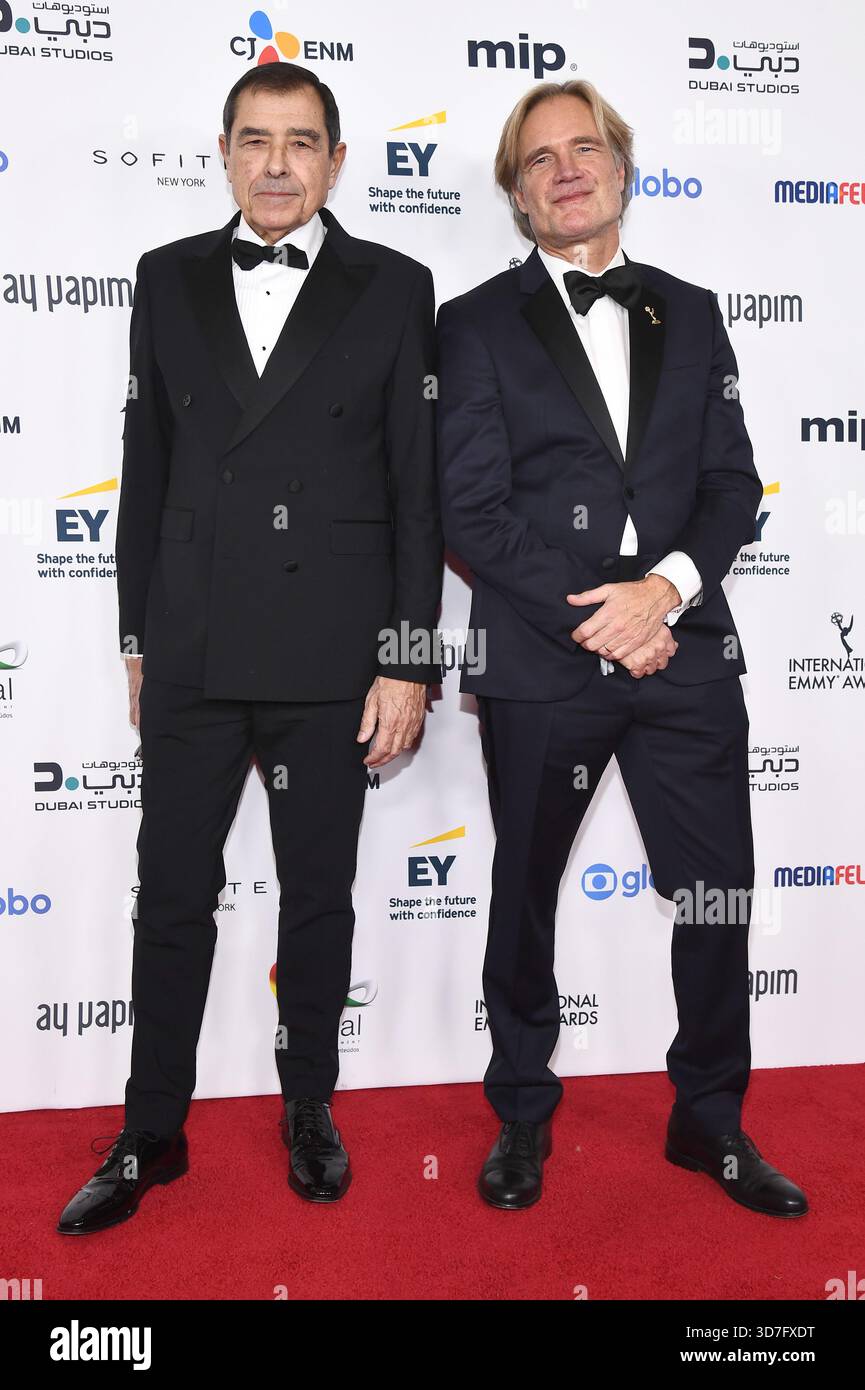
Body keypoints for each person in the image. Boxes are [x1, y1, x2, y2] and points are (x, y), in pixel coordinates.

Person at [57, 62, 442, 1234]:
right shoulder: (165, 277)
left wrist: (410, 656)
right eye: (256, 140)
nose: (278, 163)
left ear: (335, 160)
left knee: (317, 900)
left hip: (336, 656)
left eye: (302, 142)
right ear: (224, 152)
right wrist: (136, 631)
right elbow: (147, 474)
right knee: (172, 896)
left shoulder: (394, 285)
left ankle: (309, 1107)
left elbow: (415, 489)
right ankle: (148, 1129)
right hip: (191, 646)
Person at [436, 80, 807, 1216]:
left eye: (582, 148)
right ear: (514, 192)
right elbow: (468, 506)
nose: (563, 170)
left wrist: (666, 591)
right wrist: (602, 614)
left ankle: (710, 1121)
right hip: (547, 657)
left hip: (686, 653)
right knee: (527, 894)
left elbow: (732, 483)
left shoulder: (690, 313)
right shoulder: (471, 324)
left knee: (714, 897)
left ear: (621, 168)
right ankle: (522, 1117)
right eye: (537, 158)